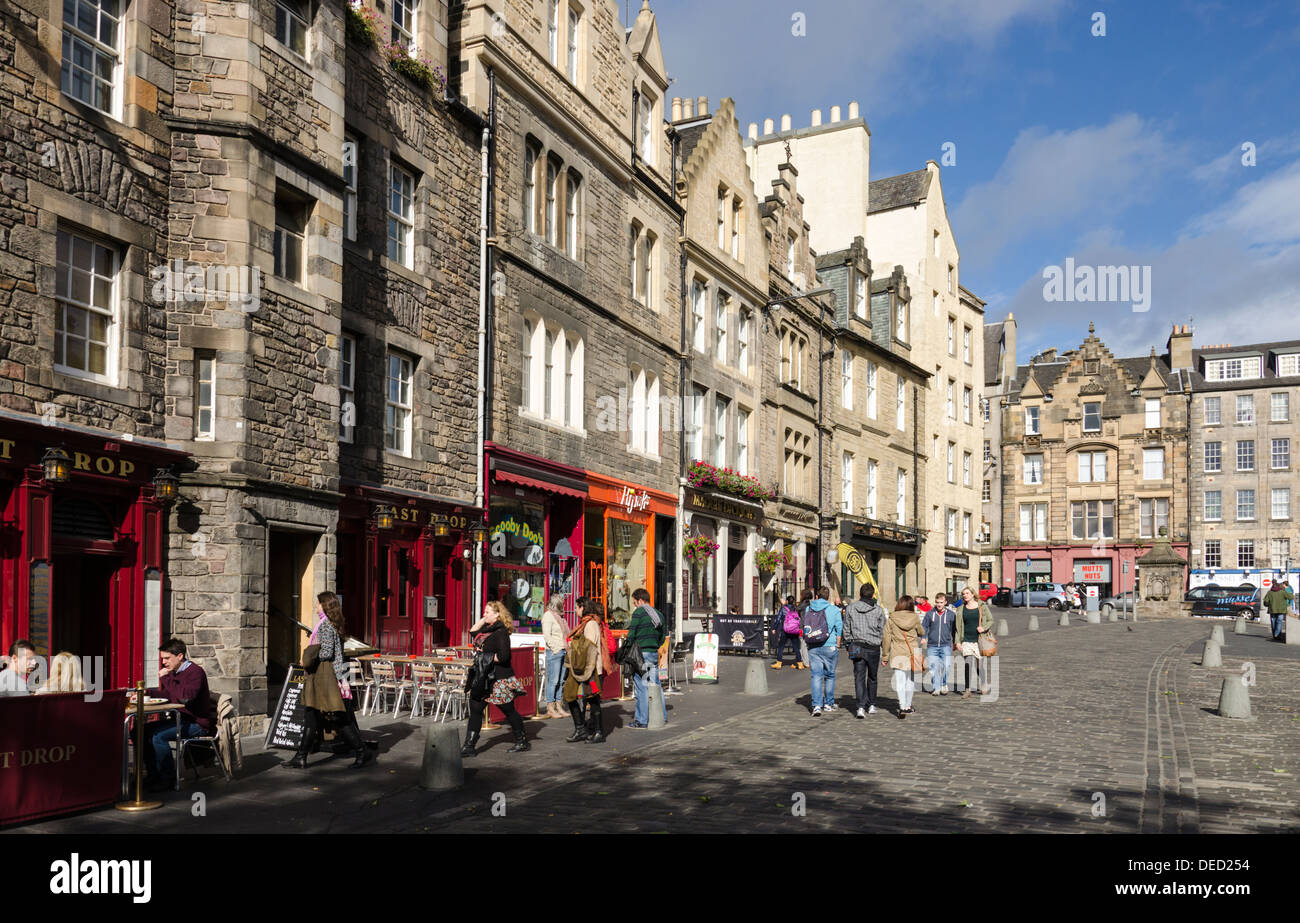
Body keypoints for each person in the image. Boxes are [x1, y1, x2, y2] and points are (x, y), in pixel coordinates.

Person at [287, 592, 374, 770]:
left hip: (326, 679)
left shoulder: (325, 625)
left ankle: (361, 750)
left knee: (339, 718)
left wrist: (308, 658)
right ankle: (301, 756)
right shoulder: (332, 623)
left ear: (324, 606)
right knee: (312, 716)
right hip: (329, 678)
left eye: (318, 604)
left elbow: (326, 652)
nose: (316, 606)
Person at [142, 638, 216, 789]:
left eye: (167, 658)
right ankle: (153, 774)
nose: (164, 662)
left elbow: (185, 698)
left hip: (197, 723)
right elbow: (171, 695)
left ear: (180, 656)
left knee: (158, 736)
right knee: (139, 731)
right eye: (163, 658)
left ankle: (167, 779)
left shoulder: (195, 672)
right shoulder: (175, 672)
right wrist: (147, 693)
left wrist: (165, 677)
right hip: (180, 719)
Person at [461, 601, 530, 756]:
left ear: (497, 614)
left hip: (499, 678)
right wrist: (483, 619)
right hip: (483, 677)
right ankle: (469, 746)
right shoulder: (487, 628)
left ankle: (522, 740)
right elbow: (472, 631)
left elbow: (505, 656)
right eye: (484, 612)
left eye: (487, 612)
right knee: (475, 709)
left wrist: (485, 656)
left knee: (508, 710)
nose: (484, 614)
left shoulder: (501, 632)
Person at [563, 599, 611, 743]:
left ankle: (598, 732)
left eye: (576, 608)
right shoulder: (585, 623)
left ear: (582, 607)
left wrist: (573, 643)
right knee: (571, 696)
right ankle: (581, 729)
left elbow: (588, 647)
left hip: (591, 671)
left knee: (593, 700)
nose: (575, 611)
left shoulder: (590, 624)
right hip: (581, 670)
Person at [842, 584, 886, 717]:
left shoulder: (850, 608)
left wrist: (848, 643)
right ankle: (871, 704)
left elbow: (846, 628)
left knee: (859, 677)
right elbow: (882, 628)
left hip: (856, 644)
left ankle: (860, 706)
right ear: (872, 595)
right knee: (872, 677)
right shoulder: (878, 610)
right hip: (873, 646)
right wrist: (879, 641)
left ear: (860, 594)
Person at [626, 588, 668, 728]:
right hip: (653, 654)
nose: (635, 605)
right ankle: (662, 716)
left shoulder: (639, 613)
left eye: (635, 602)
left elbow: (631, 635)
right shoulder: (659, 615)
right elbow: (663, 637)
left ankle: (642, 720)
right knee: (655, 685)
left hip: (641, 656)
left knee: (642, 686)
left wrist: (627, 648)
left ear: (640, 600)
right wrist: (655, 644)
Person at [880, 595, 923, 719]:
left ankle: (902, 706)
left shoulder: (892, 618)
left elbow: (886, 638)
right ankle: (908, 706)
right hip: (912, 651)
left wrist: (885, 656)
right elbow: (921, 631)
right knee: (910, 681)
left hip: (897, 651)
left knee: (900, 681)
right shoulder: (914, 617)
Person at [804, 586, 842, 716]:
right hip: (829, 645)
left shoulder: (809, 608)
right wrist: (837, 644)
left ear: (816, 597)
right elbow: (839, 628)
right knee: (830, 675)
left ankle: (816, 705)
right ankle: (828, 703)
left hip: (813, 645)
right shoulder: (834, 609)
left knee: (816, 675)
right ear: (828, 597)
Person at [954, 585, 995, 698]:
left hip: (979, 640)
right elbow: (958, 627)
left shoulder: (982, 606)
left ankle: (983, 684)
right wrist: (957, 642)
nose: (965, 595)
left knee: (979, 666)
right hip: (966, 640)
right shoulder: (961, 609)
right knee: (968, 664)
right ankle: (967, 690)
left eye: (967, 593)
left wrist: (984, 627)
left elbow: (991, 620)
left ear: (972, 594)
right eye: (963, 594)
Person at [922, 592, 956, 696]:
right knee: (933, 667)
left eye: (941, 602)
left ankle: (944, 683)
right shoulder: (929, 613)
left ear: (945, 602)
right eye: (937, 602)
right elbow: (924, 626)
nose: (939, 604)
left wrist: (954, 642)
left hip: (946, 645)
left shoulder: (951, 614)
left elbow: (954, 630)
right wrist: (923, 637)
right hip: (932, 645)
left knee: (947, 665)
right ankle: (936, 687)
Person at [540, 596, 568, 718]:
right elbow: (547, 635)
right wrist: (555, 649)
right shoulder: (548, 616)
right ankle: (550, 707)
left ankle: (558, 705)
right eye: (562, 604)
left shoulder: (559, 616)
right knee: (553, 680)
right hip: (555, 651)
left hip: (563, 650)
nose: (564, 606)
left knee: (561, 680)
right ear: (556, 604)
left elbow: (565, 632)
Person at [771, 595, 802, 669]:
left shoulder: (783, 609)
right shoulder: (796, 609)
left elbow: (778, 619)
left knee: (781, 646)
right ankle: (800, 663)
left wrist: (774, 628)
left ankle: (779, 663)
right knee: (796, 647)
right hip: (794, 630)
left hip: (785, 630)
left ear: (787, 601)